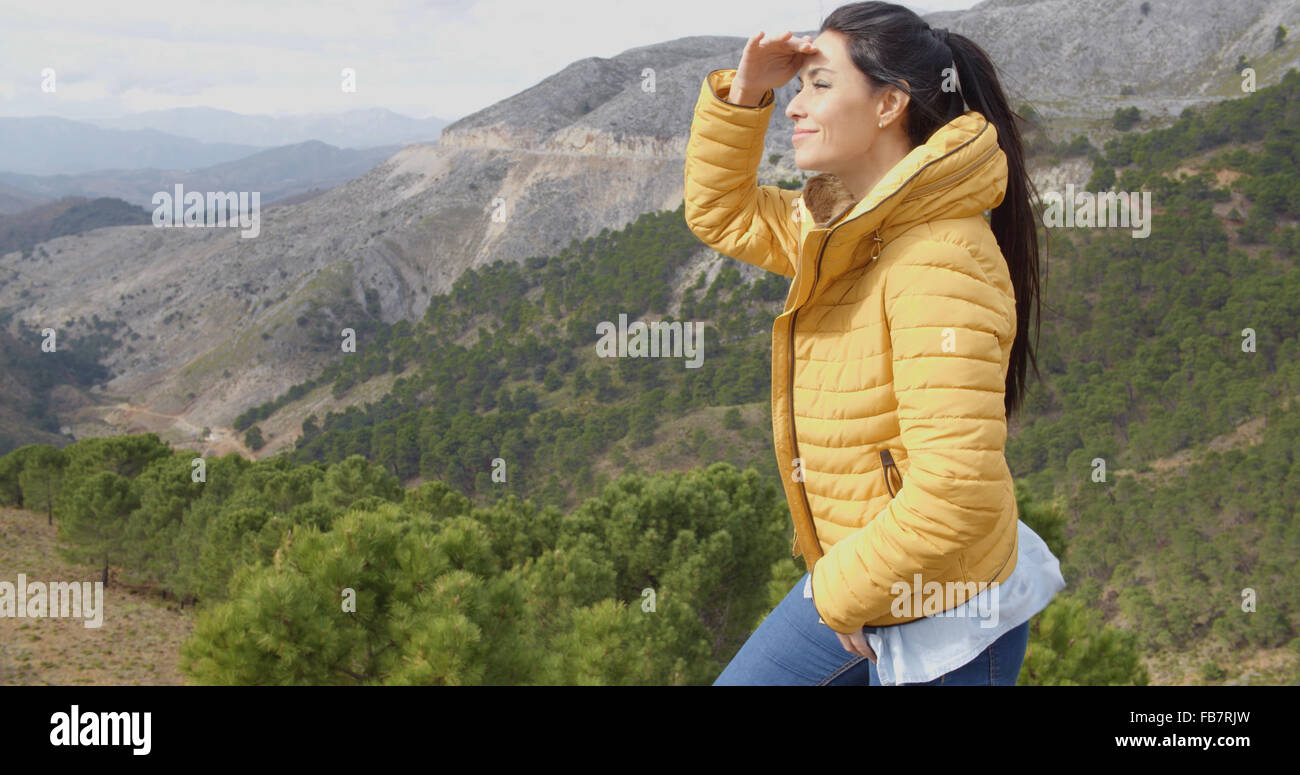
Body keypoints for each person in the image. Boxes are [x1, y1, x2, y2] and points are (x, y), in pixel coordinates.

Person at [683, 1, 1063, 685]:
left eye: (820, 84)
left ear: (889, 104)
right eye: (799, 87)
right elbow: (724, 213)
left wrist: (836, 595)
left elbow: (954, 493)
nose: (797, 107)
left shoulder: (937, 261)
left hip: (945, 612)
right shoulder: (846, 225)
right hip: (866, 581)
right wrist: (747, 93)